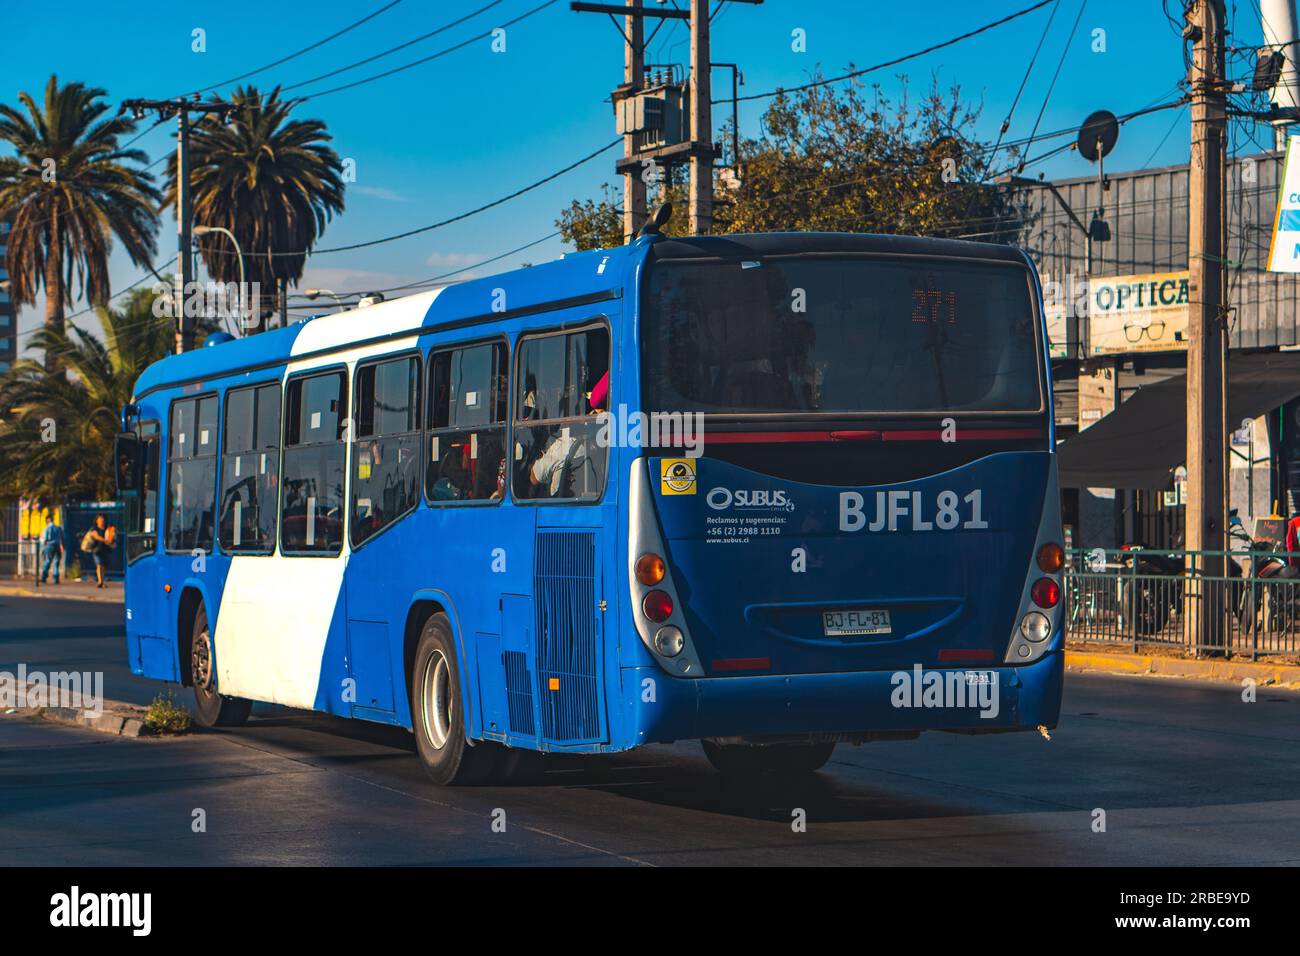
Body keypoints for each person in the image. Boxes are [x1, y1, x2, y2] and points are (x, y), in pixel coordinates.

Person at [528, 370, 608, 498]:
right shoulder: (596, 438)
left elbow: (534, 477)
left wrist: (535, 459)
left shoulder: (564, 446)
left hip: (562, 504)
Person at [80, 514, 117, 589]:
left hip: (105, 549)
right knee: (99, 565)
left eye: (103, 520)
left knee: (103, 566)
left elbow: (112, 535)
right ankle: (100, 582)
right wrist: (105, 540)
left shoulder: (107, 528)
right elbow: (96, 536)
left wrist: (112, 535)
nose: (102, 521)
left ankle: (102, 581)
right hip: (96, 549)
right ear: (96, 521)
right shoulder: (94, 528)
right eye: (100, 519)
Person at [39, 514, 64, 584]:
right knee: (56, 562)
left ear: (47, 520)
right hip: (57, 546)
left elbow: (46, 538)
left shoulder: (47, 528)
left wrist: (43, 547)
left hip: (49, 546)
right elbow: (60, 538)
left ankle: (44, 577)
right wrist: (61, 546)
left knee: (47, 561)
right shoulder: (58, 528)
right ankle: (56, 578)